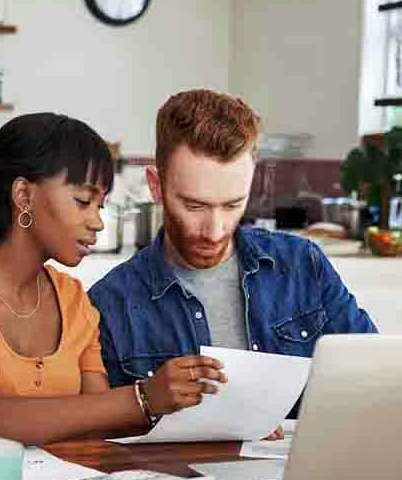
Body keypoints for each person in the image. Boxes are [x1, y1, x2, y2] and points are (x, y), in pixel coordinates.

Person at [0, 112, 231, 446]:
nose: (97, 222)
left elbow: (98, 424)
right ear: (24, 196)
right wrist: (144, 397)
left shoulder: (73, 299)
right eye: (83, 201)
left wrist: (209, 416)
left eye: (100, 206)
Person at [88, 89, 377, 411]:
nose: (215, 231)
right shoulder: (110, 303)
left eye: (232, 204)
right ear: (156, 186)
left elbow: (371, 376)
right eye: (194, 205)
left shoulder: (303, 264)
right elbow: (107, 439)